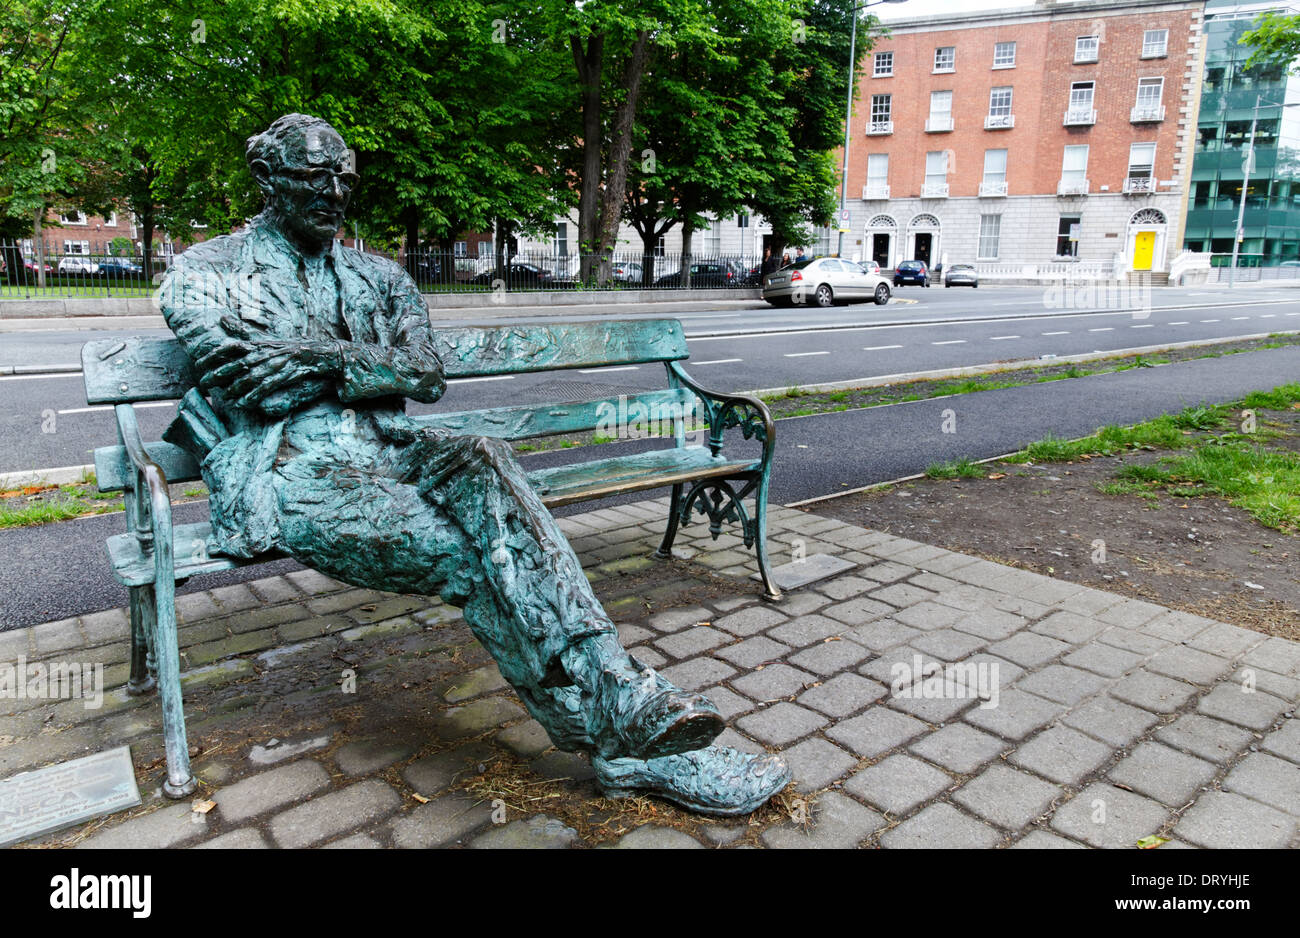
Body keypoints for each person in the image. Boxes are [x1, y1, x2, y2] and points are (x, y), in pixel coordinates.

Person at [156, 114, 789, 816]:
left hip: (389, 447)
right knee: (478, 558)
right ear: (267, 177)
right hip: (292, 468)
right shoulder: (204, 271)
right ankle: (624, 737)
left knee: (485, 457)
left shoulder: (379, 276)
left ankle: (618, 690)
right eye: (314, 176)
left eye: (344, 178)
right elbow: (240, 375)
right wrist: (357, 363)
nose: (334, 193)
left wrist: (308, 357)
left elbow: (424, 374)